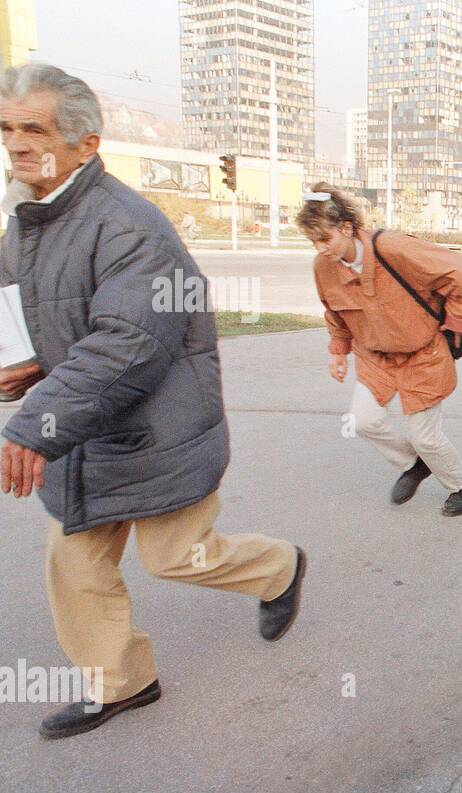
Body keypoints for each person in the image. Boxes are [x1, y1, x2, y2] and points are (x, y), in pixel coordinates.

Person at [0, 63, 307, 738]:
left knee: (176, 557)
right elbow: (26, 312)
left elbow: (126, 348)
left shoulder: (127, 226)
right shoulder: (27, 220)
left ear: (86, 143)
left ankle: (279, 566)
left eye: (36, 130)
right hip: (83, 430)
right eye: (8, 129)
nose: (18, 145)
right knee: (73, 562)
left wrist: (31, 427)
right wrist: (22, 366)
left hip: (154, 430)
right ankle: (122, 682)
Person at [298, 183, 462, 516]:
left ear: (347, 227)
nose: (320, 248)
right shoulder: (323, 267)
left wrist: (459, 320)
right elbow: (334, 310)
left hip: (422, 355)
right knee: (362, 420)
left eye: (325, 239)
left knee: (426, 437)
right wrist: (338, 350)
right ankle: (416, 464)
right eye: (313, 241)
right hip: (375, 359)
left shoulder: (393, 248)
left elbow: (459, 271)